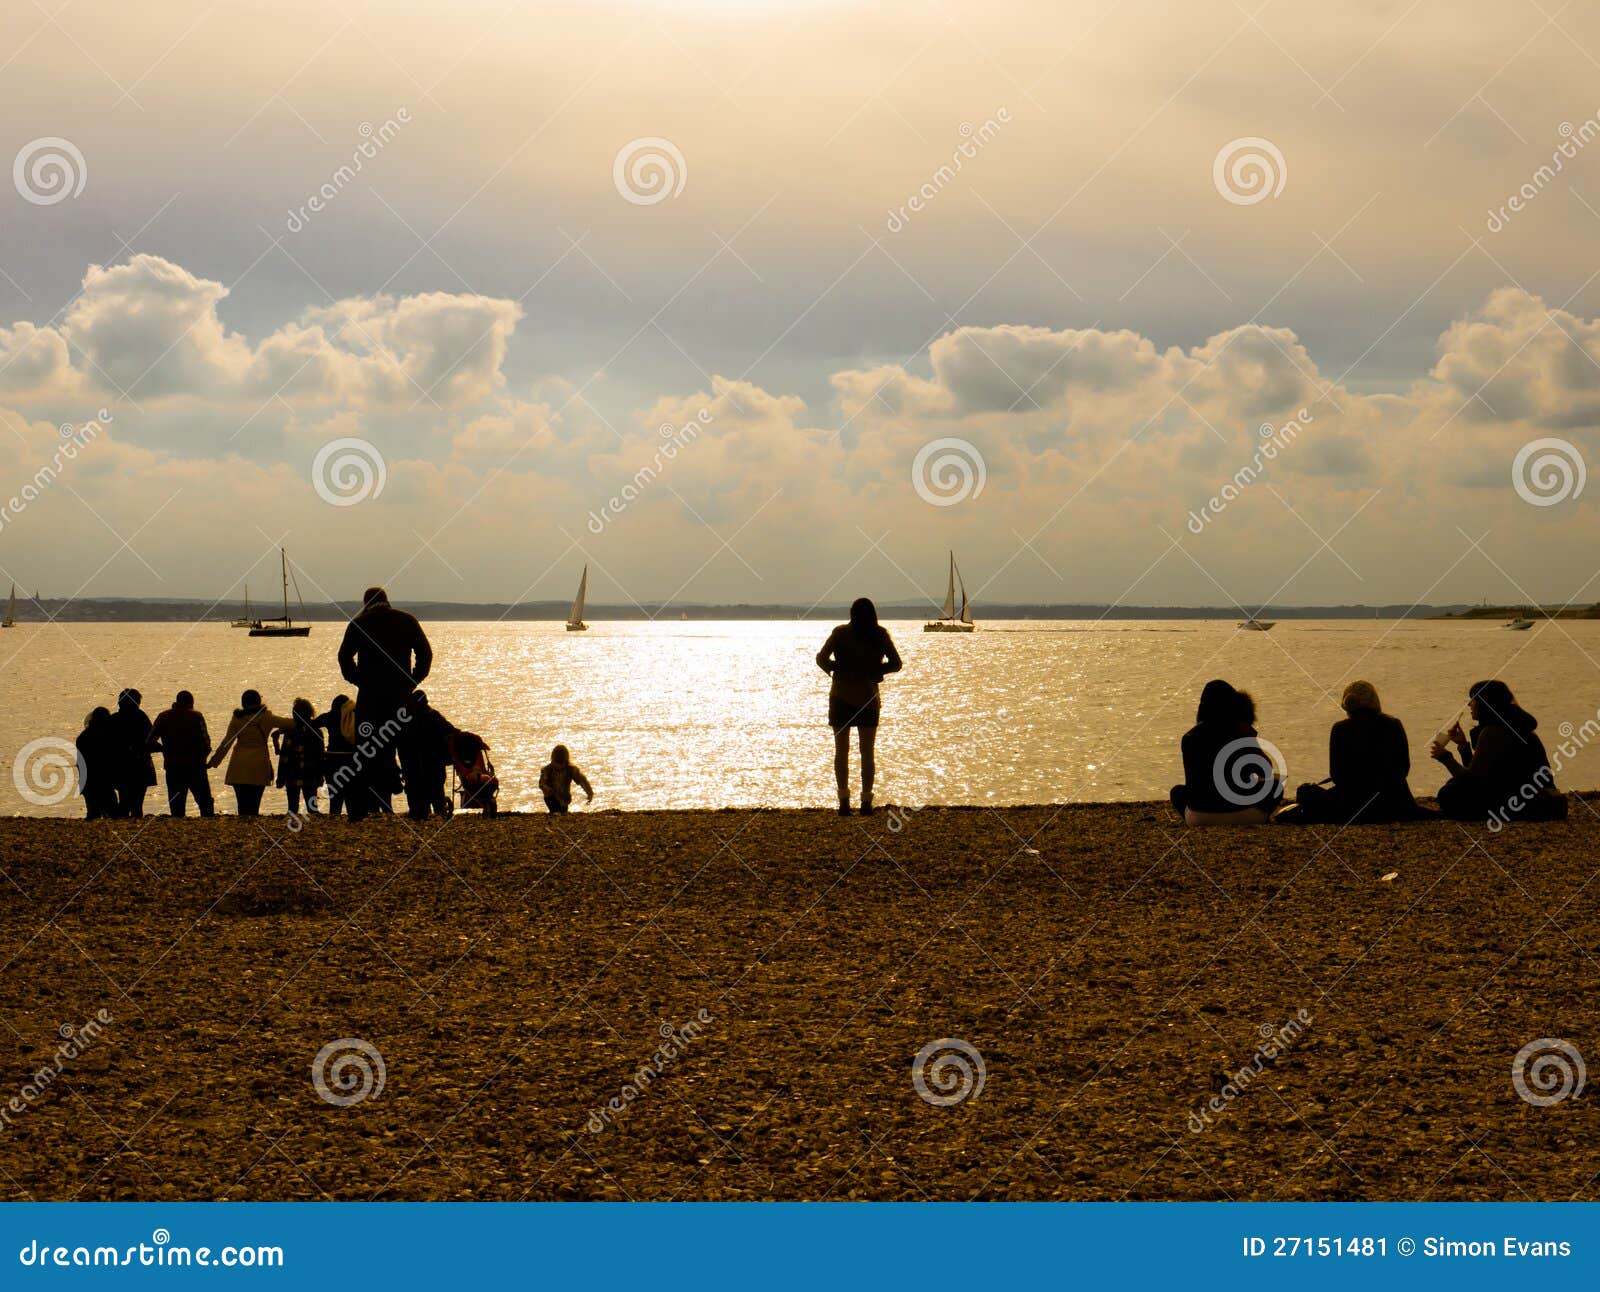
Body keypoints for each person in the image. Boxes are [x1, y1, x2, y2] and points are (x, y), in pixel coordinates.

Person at [337, 586, 432, 820]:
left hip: (370, 700)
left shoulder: (359, 623)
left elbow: (343, 657)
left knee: (364, 754)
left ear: (366, 602)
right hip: (401, 699)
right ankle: (419, 808)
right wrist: (412, 680)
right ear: (387, 600)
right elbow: (425, 654)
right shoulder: (407, 620)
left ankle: (358, 810)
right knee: (410, 754)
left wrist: (358, 680)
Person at [1284, 681, 1421, 824]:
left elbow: (1337, 776)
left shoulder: (1340, 729)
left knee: (1307, 793)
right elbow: (1403, 769)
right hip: (1395, 798)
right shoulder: (1394, 724)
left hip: (1352, 801)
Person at [1431, 679, 1567, 823]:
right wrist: (1463, 746)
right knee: (1454, 783)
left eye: (1473, 699)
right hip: (1548, 801)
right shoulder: (1514, 725)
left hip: (1533, 805)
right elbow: (1483, 774)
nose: (1469, 704)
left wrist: (1446, 758)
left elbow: (1473, 781)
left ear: (1485, 703)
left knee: (1448, 793)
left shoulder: (1493, 731)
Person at [815, 597, 903, 816]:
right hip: (868, 698)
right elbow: (896, 663)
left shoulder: (840, 633)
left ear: (852, 614)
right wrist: (875, 671)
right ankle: (865, 801)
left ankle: (844, 801)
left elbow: (820, 658)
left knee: (841, 751)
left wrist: (838, 668)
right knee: (867, 752)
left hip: (840, 697)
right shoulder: (880, 634)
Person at [1170, 679, 1282, 824]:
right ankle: (1262, 818)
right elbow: (1264, 770)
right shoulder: (1238, 733)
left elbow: (1194, 783)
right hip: (1242, 814)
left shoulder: (1188, 738)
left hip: (1197, 817)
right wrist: (1251, 738)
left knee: (1177, 792)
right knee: (1274, 786)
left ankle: (1196, 816)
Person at [207, 689, 293, 816]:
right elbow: (291, 723)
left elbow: (227, 742)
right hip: (259, 764)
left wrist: (213, 762)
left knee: (242, 805)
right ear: (259, 701)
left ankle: (243, 828)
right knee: (254, 805)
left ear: (243, 703)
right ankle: (253, 827)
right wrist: (281, 731)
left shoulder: (237, 719)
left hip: (239, 765)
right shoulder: (267, 717)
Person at [148, 690, 214, 817]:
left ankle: (177, 824)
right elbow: (206, 742)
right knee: (204, 801)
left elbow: (150, 741)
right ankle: (208, 823)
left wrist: (163, 749)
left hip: (173, 766)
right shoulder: (196, 716)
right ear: (191, 702)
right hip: (196, 766)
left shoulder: (163, 716)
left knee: (176, 803)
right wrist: (203, 757)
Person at [407, 691, 458, 819]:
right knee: (436, 790)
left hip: (419, 762)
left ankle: (425, 814)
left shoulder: (410, 719)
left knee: (422, 791)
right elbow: (452, 731)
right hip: (435, 761)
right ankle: (439, 813)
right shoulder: (433, 716)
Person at [108, 688, 157, 818]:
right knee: (137, 802)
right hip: (140, 765)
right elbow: (150, 740)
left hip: (119, 766)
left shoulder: (113, 719)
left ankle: (122, 821)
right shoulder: (141, 717)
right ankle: (135, 824)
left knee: (124, 798)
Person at [274, 698, 326, 816]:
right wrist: (321, 776)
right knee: (312, 805)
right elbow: (320, 756)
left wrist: (280, 777)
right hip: (311, 772)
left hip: (292, 772)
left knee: (292, 807)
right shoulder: (316, 732)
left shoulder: (290, 732)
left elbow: (284, 757)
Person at [315, 695, 357, 815]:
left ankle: (335, 817)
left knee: (335, 797)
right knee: (351, 795)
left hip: (332, 759)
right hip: (351, 759)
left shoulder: (329, 717)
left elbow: (311, 724)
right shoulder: (354, 717)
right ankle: (352, 817)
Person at [75, 707, 120, 819]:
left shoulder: (83, 736)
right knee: (111, 809)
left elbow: (80, 763)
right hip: (104, 779)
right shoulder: (108, 735)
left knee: (92, 811)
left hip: (88, 779)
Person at [539, 745, 593, 814]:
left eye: (561, 764)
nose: (559, 767)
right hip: (551, 797)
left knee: (562, 810)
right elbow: (541, 783)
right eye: (556, 764)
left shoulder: (571, 769)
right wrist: (547, 789)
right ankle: (555, 813)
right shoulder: (547, 770)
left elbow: (582, 781)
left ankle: (559, 813)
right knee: (554, 808)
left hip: (564, 798)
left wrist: (589, 793)